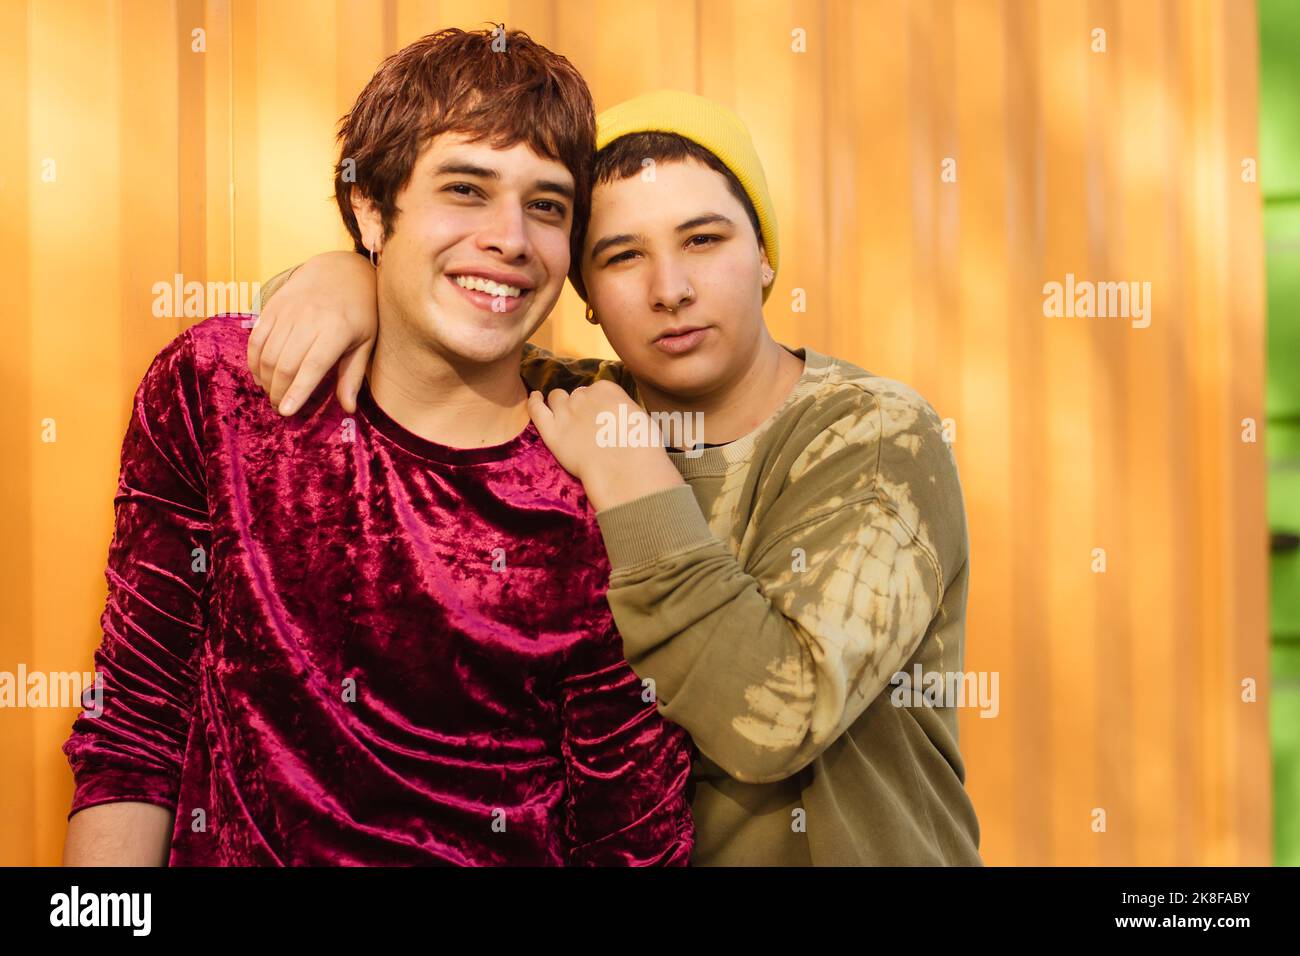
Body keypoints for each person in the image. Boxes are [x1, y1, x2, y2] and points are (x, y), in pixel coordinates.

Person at [250, 88, 982, 866]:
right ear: (588, 296)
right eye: (622, 255)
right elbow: (424, 344)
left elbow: (778, 716)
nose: (670, 289)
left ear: (765, 255)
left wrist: (638, 483)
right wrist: (348, 278)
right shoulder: (579, 405)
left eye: (703, 240)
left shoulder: (874, 436)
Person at [60, 28, 694, 867]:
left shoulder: (607, 476)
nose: (510, 238)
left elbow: (630, 834)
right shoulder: (216, 388)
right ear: (370, 210)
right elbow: (137, 721)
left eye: (546, 205)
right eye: (466, 190)